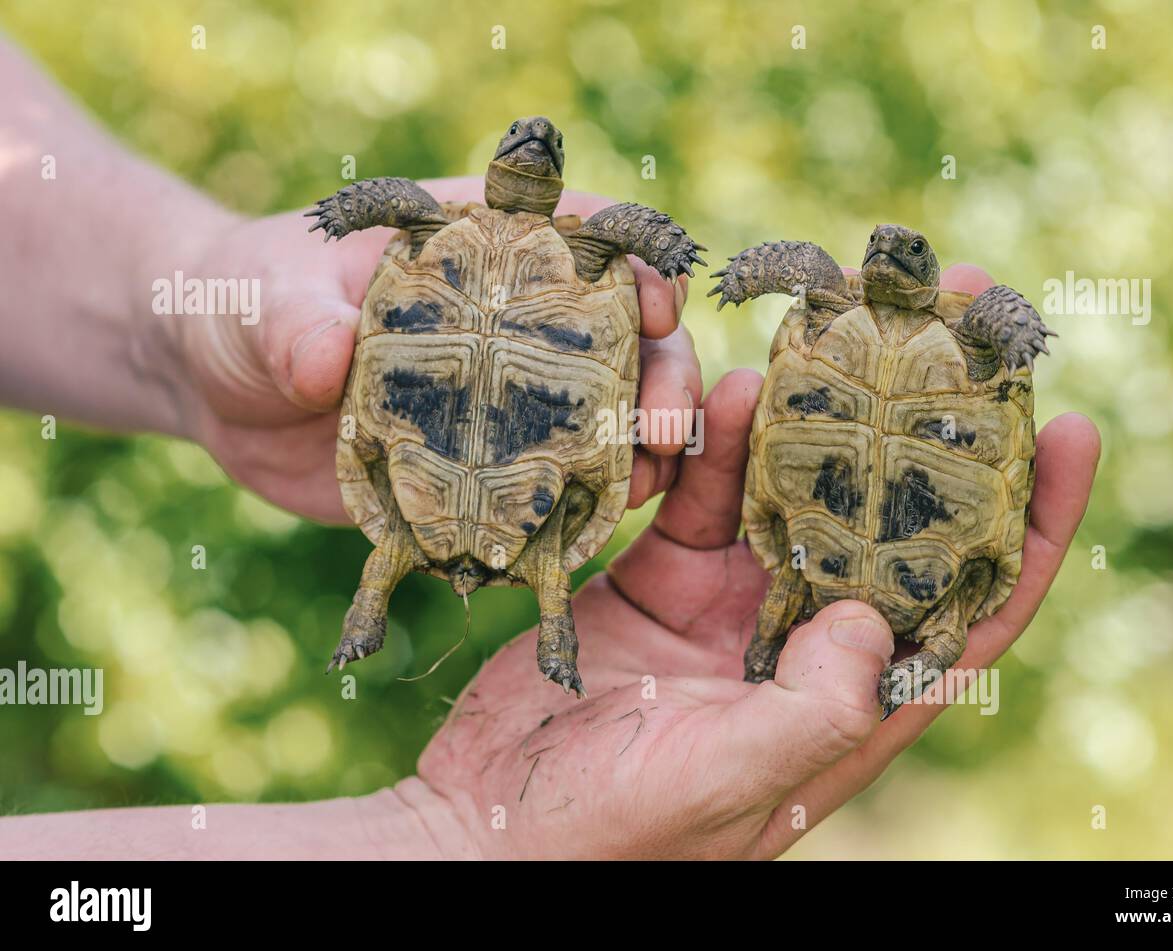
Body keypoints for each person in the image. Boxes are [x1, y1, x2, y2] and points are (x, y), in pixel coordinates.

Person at [0, 39, 1099, 859]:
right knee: (513, 536)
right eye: (529, 151)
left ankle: (699, 633)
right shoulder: (584, 248)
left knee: (467, 525)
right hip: (528, 464)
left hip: (687, 502)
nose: (533, 153)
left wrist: (193, 295)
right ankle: (417, 609)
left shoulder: (803, 295)